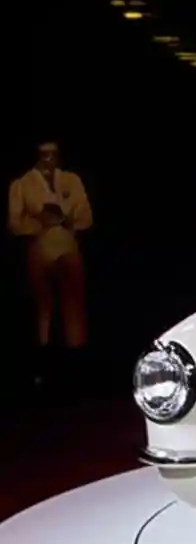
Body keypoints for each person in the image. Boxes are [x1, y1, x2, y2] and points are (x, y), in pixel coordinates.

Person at [7, 140, 92, 389]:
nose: (49, 160)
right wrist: (39, 223)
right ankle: (45, 364)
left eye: (53, 154)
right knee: (44, 306)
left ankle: (76, 365)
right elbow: (15, 222)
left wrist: (68, 221)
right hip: (40, 246)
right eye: (44, 155)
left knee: (73, 304)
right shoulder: (22, 185)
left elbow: (85, 214)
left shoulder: (71, 181)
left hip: (68, 244)